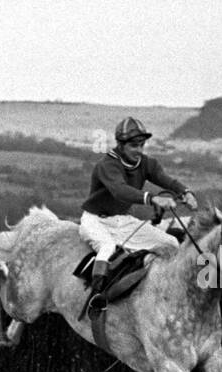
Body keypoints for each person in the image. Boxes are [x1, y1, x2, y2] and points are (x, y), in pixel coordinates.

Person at [80, 116, 197, 311]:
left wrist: (185, 192)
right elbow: (120, 190)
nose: (139, 150)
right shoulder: (108, 165)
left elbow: (164, 179)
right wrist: (152, 198)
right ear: (121, 144)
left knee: (171, 243)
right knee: (107, 247)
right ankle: (96, 296)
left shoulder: (146, 163)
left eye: (142, 145)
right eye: (134, 146)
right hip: (95, 221)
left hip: (121, 221)